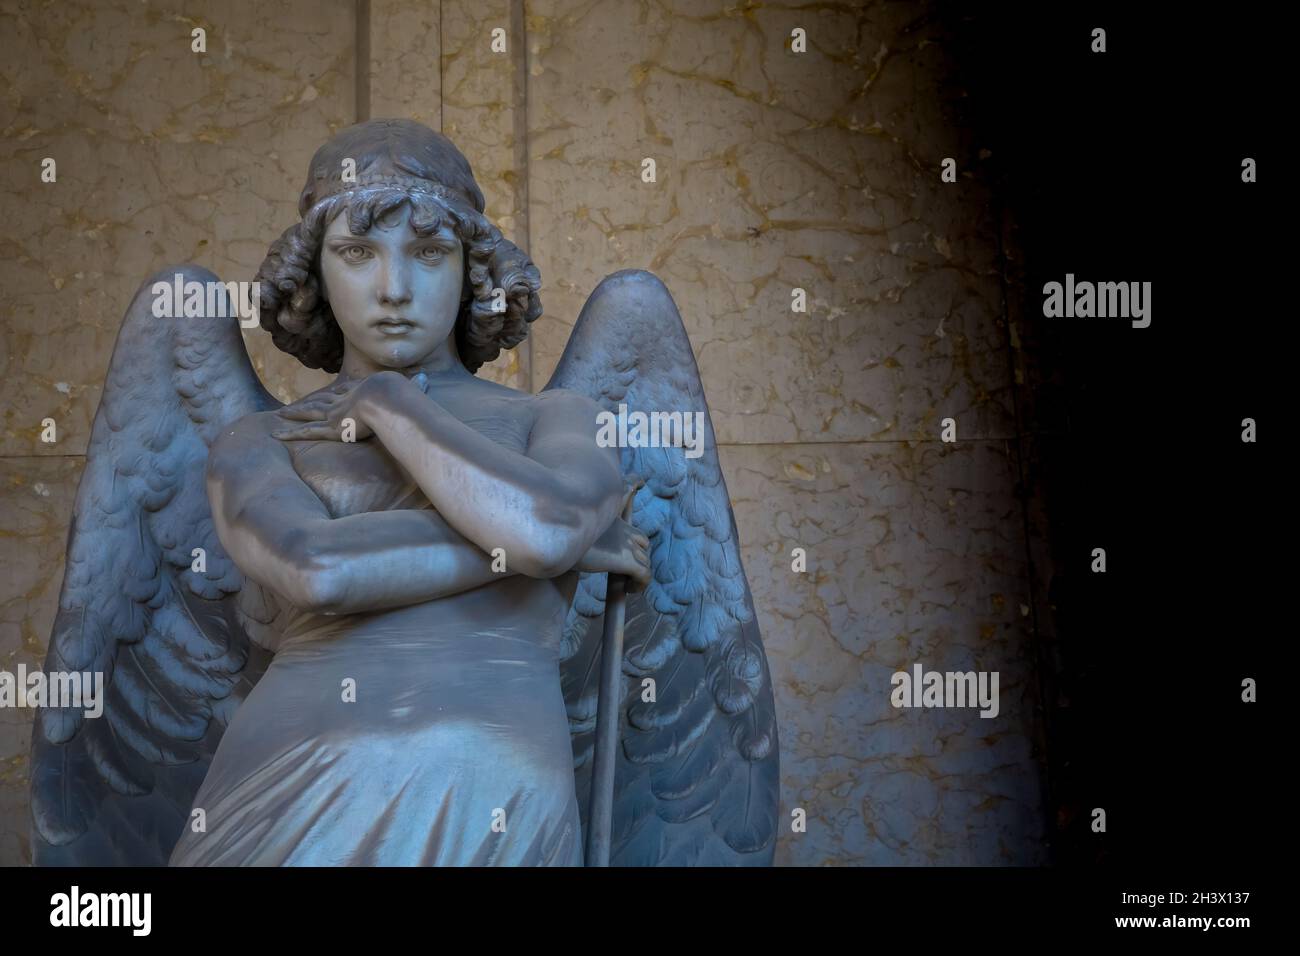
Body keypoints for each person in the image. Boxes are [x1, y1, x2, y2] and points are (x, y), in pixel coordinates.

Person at [168, 120, 650, 866]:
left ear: (473, 272)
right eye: (357, 253)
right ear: (316, 275)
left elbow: (547, 531)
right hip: (292, 786)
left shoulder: (553, 420)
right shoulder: (260, 439)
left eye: (429, 253)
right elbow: (320, 572)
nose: (394, 288)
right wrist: (558, 542)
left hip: (496, 793)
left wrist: (395, 408)